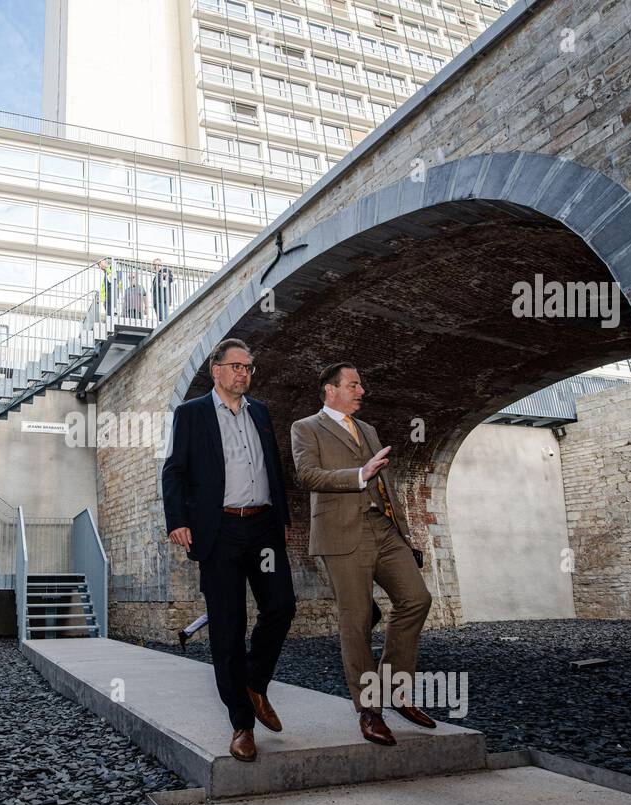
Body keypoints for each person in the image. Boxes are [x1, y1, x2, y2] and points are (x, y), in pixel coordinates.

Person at [162, 338, 296, 762]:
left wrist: (282, 521)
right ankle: (242, 722)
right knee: (227, 627)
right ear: (215, 370)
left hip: (262, 526)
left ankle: (255, 683)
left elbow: (273, 465)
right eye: (236, 366)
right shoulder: (192, 414)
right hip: (219, 530)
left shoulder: (261, 412)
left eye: (249, 367)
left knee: (282, 607)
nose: (244, 373)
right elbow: (174, 471)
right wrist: (178, 520)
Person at [290, 362, 435, 746]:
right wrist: (358, 474)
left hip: (384, 530)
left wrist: (404, 532)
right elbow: (306, 475)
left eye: (361, 384)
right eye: (353, 385)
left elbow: (384, 481)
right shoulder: (305, 428)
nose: (361, 391)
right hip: (341, 534)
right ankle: (369, 709)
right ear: (330, 390)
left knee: (416, 599)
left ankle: (393, 686)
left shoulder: (368, 429)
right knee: (355, 620)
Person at [151, 259, 174, 323]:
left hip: (163, 299)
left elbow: (171, 279)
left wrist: (165, 276)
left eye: (158, 264)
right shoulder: (155, 277)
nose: (157, 266)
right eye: (155, 265)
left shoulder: (165, 270)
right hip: (156, 301)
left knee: (164, 319)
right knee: (160, 318)